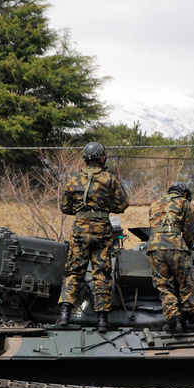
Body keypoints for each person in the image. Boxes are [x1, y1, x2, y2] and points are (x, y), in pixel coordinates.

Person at [57, 142, 129, 332]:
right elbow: (123, 204)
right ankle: (102, 320)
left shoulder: (73, 180)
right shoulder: (110, 179)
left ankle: (64, 314)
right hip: (102, 231)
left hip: (80, 231)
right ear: (102, 158)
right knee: (102, 273)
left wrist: (82, 210)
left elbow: (65, 207)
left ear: (85, 159)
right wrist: (104, 208)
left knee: (73, 272)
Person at [146, 181, 194, 335]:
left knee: (163, 285)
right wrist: (186, 246)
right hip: (175, 245)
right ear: (185, 193)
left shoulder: (155, 203)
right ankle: (189, 321)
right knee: (186, 282)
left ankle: (174, 323)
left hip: (154, 247)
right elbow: (190, 230)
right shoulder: (184, 203)